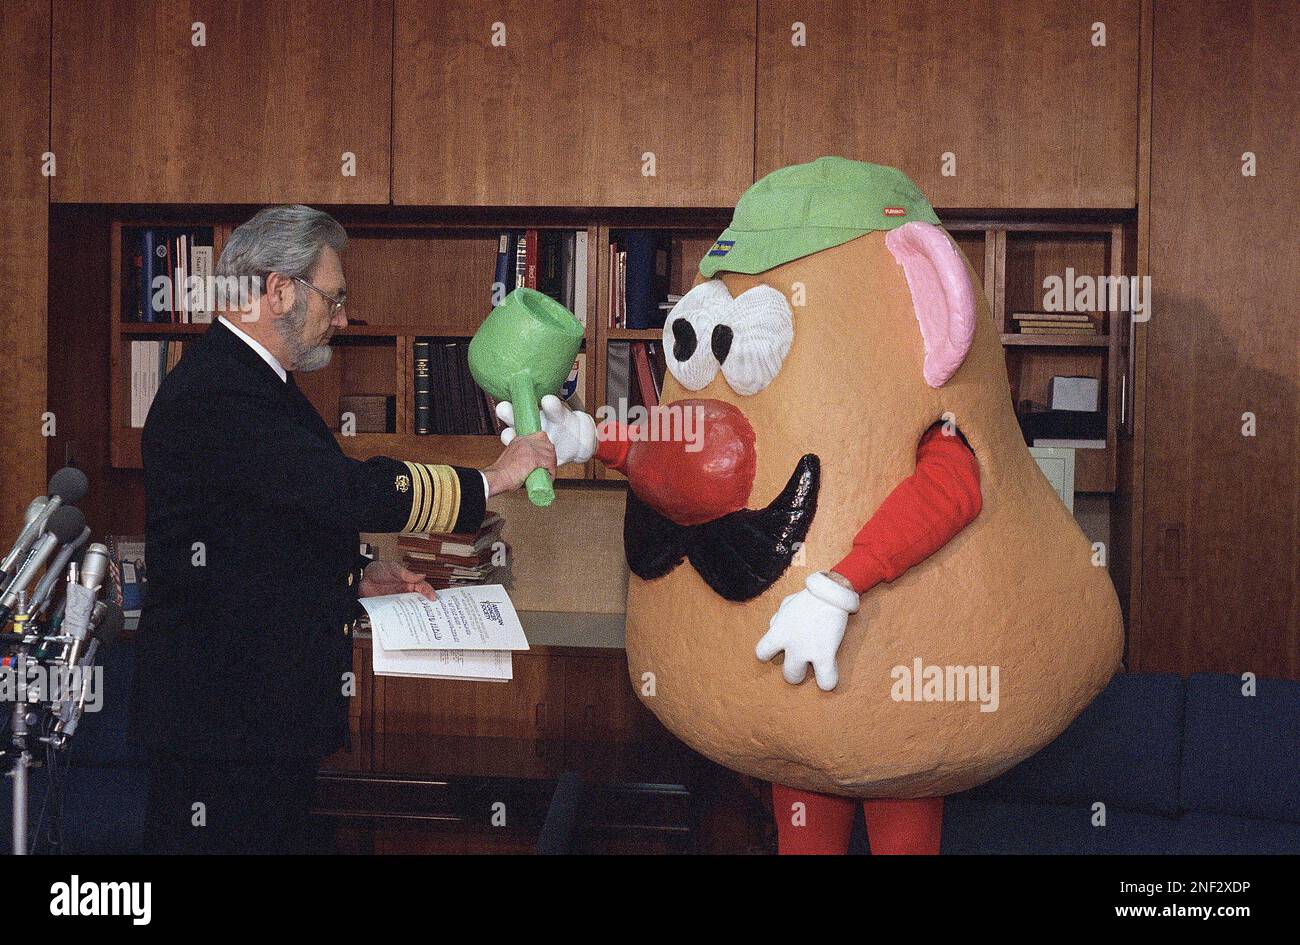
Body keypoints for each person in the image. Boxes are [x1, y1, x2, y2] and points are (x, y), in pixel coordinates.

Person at [129, 205, 557, 853]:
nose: (343, 317)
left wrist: (357, 575)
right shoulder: (220, 390)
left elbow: (270, 526)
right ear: (277, 290)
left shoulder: (253, 381)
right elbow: (339, 490)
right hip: (223, 727)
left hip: (255, 721)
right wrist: (489, 480)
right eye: (334, 297)